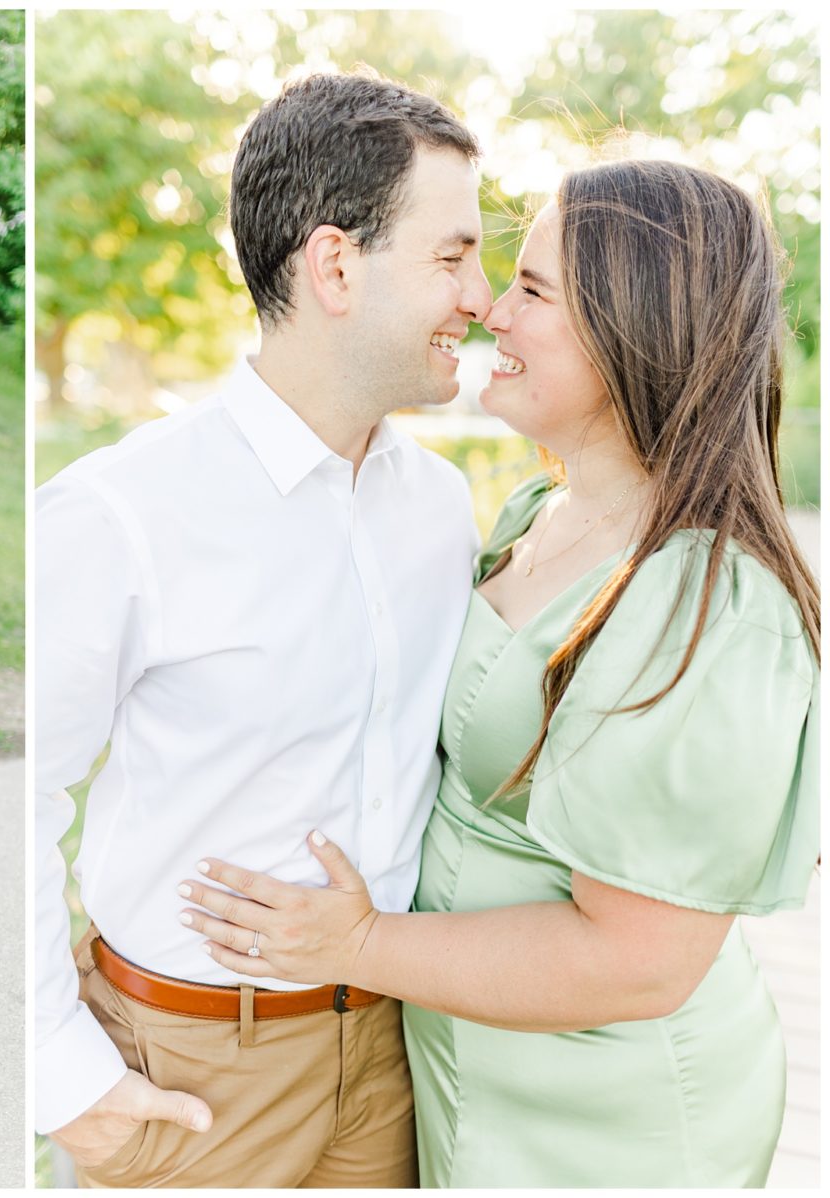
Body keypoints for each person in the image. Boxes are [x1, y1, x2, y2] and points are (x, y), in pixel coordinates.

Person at [184, 160, 819, 1187]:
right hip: (472, 1073)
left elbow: (640, 959)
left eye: (531, 290)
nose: (488, 312)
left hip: (609, 1121)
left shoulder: (711, 603)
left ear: (635, 331)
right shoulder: (539, 515)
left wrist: (356, 945)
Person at [35, 72, 494, 1187]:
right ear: (334, 264)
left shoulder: (438, 512)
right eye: (451, 256)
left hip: (396, 1053)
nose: (481, 295)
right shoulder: (120, 512)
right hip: (192, 1078)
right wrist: (62, 1079)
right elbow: (18, 794)